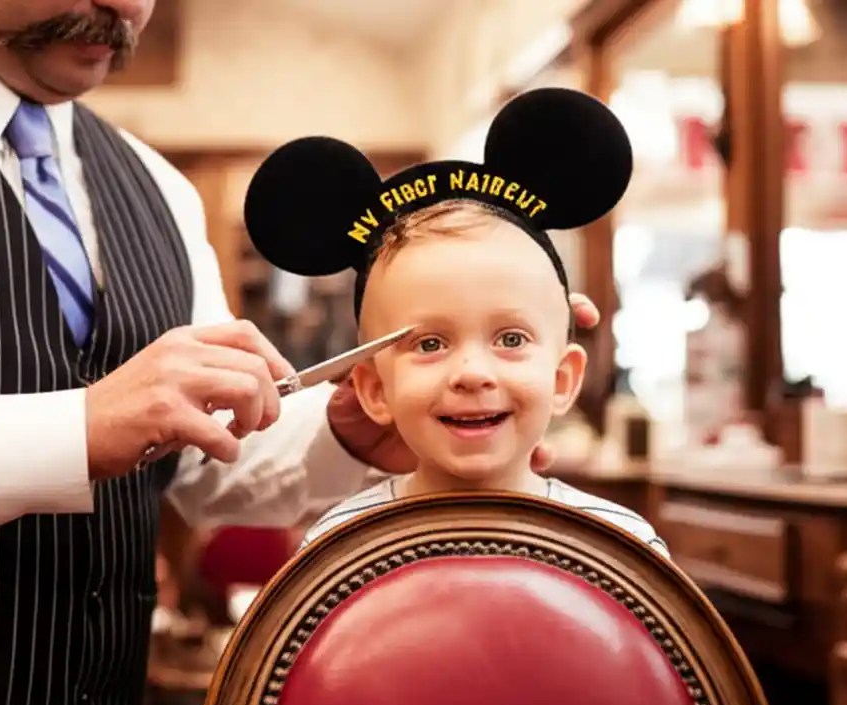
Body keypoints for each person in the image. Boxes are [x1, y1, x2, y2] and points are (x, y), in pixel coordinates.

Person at [0, 2, 601, 705]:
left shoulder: (155, 187)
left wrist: (349, 427)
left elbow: (199, 459)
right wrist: (77, 429)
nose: (123, 8)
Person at [241, 87, 668, 556]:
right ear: (375, 390)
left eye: (510, 338)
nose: (472, 374)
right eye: (429, 344)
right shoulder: (339, 549)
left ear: (563, 379)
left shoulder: (623, 549)